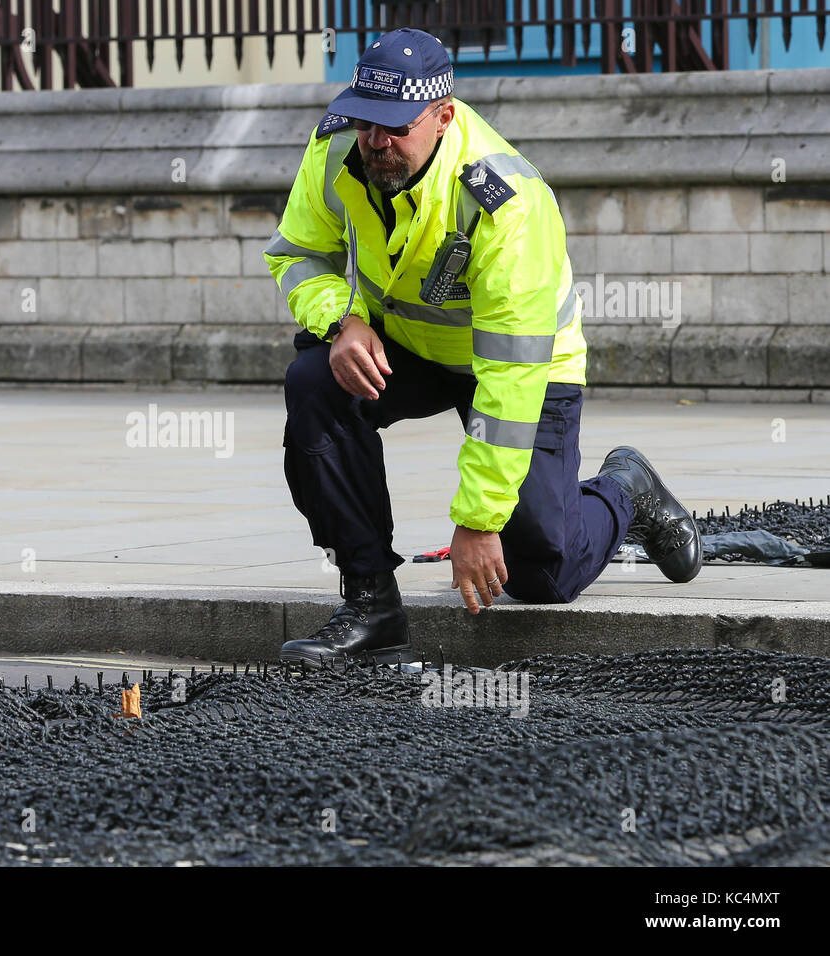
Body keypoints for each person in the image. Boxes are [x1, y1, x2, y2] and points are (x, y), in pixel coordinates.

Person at [264, 27, 702, 669]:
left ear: (442, 118)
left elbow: (509, 377)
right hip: (410, 345)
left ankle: (624, 488)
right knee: (313, 387)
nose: (376, 144)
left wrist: (478, 520)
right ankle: (371, 606)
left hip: (524, 367)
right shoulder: (337, 150)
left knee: (541, 576)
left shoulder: (506, 204)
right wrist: (342, 322)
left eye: (395, 127)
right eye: (366, 122)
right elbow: (299, 253)